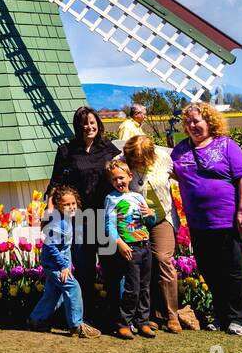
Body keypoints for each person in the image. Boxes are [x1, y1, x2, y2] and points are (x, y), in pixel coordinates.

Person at [170, 102, 242, 335]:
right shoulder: (180, 150)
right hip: (200, 222)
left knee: (235, 269)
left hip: (230, 219)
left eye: (197, 121)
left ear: (209, 121)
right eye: (188, 122)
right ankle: (220, 314)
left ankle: (238, 318)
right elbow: (171, 172)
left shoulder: (226, 145)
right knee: (210, 269)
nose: (192, 126)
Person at [45, 106, 119, 320]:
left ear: (98, 124)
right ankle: (87, 314)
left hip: (104, 216)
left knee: (110, 267)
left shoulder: (108, 149)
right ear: (78, 127)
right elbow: (56, 181)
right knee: (85, 269)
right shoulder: (67, 151)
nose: (89, 127)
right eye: (84, 123)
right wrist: (50, 207)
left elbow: (120, 175)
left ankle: (115, 314)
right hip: (79, 219)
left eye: (92, 122)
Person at [122, 135, 182, 333]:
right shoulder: (121, 162)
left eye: (140, 160)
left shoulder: (163, 158)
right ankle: (149, 315)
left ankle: (171, 315)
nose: (137, 163)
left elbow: (182, 177)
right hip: (134, 222)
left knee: (162, 259)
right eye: (134, 160)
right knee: (144, 264)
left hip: (161, 217)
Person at [27, 185, 100, 338]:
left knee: (53, 293)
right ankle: (76, 324)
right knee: (73, 288)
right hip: (55, 265)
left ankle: (37, 320)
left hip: (55, 264)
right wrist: (63, 266)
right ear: (59, 205)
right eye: (66, 204)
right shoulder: (60, 224)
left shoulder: (66, 221)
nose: (71, 207)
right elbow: (51, 246)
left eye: (73, 203)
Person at [102, 158, 159, 339]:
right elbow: (108, 225)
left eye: (121, 178)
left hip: (145, 245)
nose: (119, 182)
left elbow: (149, 221)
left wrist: (152, 214)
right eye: (114, 179)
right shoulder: (111, 199)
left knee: (145, 286)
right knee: (131, 288)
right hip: (129, 248)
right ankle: (124, 323)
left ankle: (142, 321)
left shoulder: (137, 196)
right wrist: (119, 243)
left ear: (130, 176)